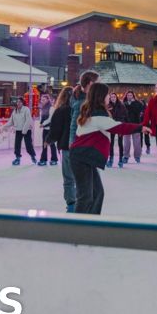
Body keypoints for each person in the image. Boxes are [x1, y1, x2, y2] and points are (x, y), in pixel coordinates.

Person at [70, 83, 150, 214]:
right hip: (81, 158)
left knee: (97, 194)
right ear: (101, 96)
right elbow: (119, 127)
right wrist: (140, 127)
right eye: (107, 94)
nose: (109, 96)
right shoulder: (97, 116)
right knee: (86, 197)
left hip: (83, 157)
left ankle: (92, 222)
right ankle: (78, 225)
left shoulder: (92, 113)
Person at [62, 71, 100, 211]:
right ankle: (79, 215)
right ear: (90, 83)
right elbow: (74, 126)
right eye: (98, 83)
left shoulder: (83, 99)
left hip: (84, 148)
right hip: (79, 149)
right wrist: (73, 146)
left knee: (93, 190)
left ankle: (83, 215)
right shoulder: (82, 102)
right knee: (87, 190)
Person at [48, 87, 75, 209]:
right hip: (80, 146)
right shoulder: (80, 109)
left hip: (66, 147)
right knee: (80, 177)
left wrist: (49, 139)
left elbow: (55, 129)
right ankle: (81, 201)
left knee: (68, 177)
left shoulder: (60, 110)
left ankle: (71, 203)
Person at [9, 98, 37, 165]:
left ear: (23, 103)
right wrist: (4, 126)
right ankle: (17, 158)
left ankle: (32, 156)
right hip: (18, 130)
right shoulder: (15, 111)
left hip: (27, 130)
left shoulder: (26, 109)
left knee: (28, 145)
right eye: (17, 102)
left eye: (20, 102)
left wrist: (24, 130)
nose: (18, 103)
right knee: (17, 145)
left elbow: (28, 120)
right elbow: (11, 121)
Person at [122, 90, 143, 164]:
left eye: (131, 95)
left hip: (135, 124)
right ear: (126, 96)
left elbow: (139, 111)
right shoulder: (123, 104)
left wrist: (133, 103)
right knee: (126, 142)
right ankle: (126, 156)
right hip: (126, 124)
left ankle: (137, 156)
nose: (129, 96)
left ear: (133, 96)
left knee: (137, 142)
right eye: (128, 95)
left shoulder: (137, 103)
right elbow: (123, 113)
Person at [37, 93, 55, 166]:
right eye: (41, 100)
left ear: (48, 100)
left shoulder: (51, 108)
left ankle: (54, 159)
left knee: (51, 144)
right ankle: (43, 160)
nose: (42, 101)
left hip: (51, 129)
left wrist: (43, 124)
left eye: (44, 100)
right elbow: (41, 118)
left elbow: (50, 119)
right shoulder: (43, 108)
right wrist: (41, 123)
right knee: (44, 144)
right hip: (45, 129)